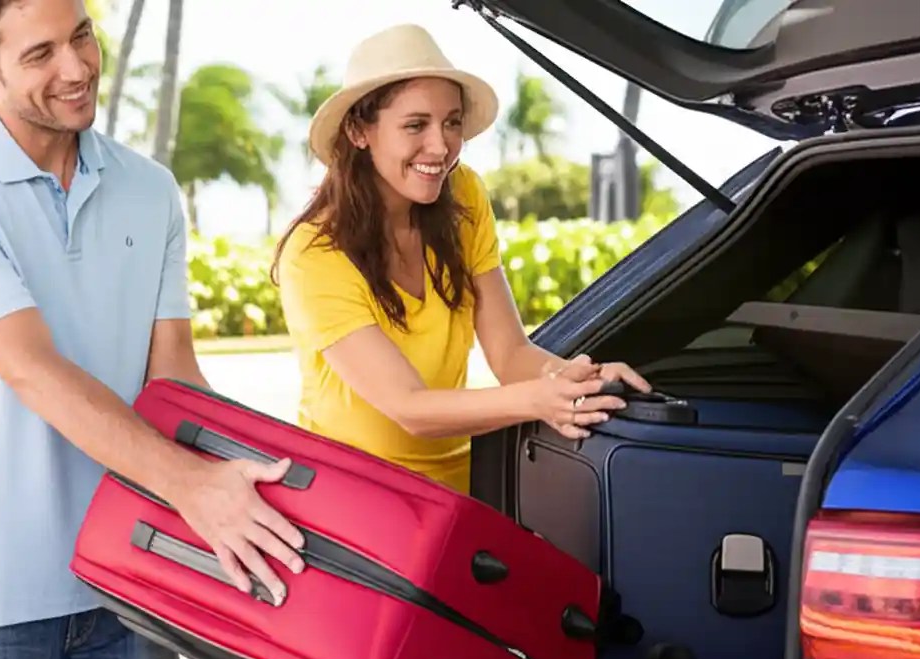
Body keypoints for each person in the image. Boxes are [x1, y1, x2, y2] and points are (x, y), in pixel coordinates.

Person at [0, 1, 305, 659]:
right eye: (40, 54)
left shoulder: (149, 190)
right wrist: (195, 489)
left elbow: (174, 381)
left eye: (81, 36)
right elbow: (32, 371)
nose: (77, 69)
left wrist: (289, 481)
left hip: (129, 577)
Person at [274, 24, 652, 495]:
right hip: (352, 495)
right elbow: (409, 407)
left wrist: (580, 382)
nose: (441, 146)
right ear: (358, 131)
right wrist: (538, 400)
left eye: (451, 122)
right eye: (416, 125)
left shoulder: (464, 197)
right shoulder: (315, 253)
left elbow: (511, 354)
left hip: (461, 485)